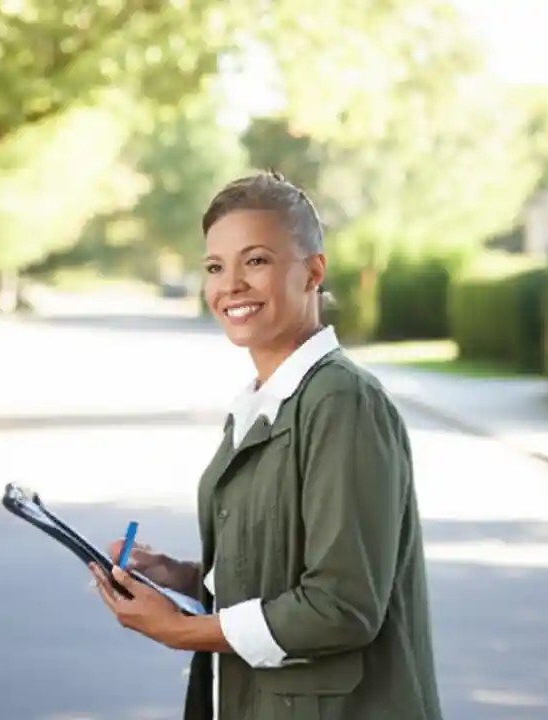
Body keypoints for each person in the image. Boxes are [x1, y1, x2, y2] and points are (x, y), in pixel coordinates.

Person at [89, 171, 442, 719]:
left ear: (313, 273)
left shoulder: (341, 402)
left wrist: (185, 631)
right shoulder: (259, 405)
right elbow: (278, 570)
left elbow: (342, 606)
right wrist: (182, 577)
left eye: (255, 261)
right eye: (215, 266)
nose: (230, 284)